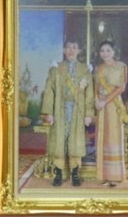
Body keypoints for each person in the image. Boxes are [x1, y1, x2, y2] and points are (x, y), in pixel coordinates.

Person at [38, 38, 92, 188]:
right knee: (59, 141)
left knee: (75, 141)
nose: (71, 50)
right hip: (60, 110)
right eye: (68, 47)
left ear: (79, 51)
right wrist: (49, 112)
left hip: (77, 111)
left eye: (74, 47)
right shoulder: (56, 69)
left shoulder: (85, 70)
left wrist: (88, 114)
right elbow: (49, 91)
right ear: (64, 50)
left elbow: (89, 94)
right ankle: (59, 173)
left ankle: (75, 172)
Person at [92, 39, 128, 187]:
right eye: (102, 51)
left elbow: (121, 88)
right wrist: (96, 101)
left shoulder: (121, 66)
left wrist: (104, 101)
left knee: (113, 137)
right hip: (101, 106)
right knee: (102, 137)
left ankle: (115, 176)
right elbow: (95, 87)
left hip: (113, 105)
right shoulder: (98, 68)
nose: (105, 53)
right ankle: (104, 175)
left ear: (114, 52)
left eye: (108, 50)